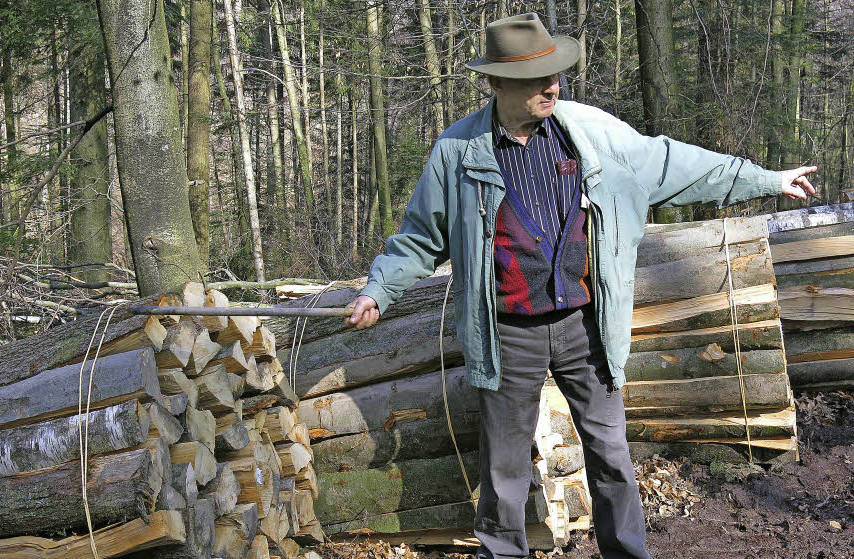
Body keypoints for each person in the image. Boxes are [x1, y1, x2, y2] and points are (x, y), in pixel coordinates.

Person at [344, 12, 816, 559]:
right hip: (507, 334)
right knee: (504, 467)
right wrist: (378, 290)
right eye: (535, 78)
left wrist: (766, 179)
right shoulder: (458, 151)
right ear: (496, 83)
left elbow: (676, 163)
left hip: (584, 327)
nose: (552, 86)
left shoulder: (590, 135)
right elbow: (420, 238)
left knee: (611, 452)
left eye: (555, 74)